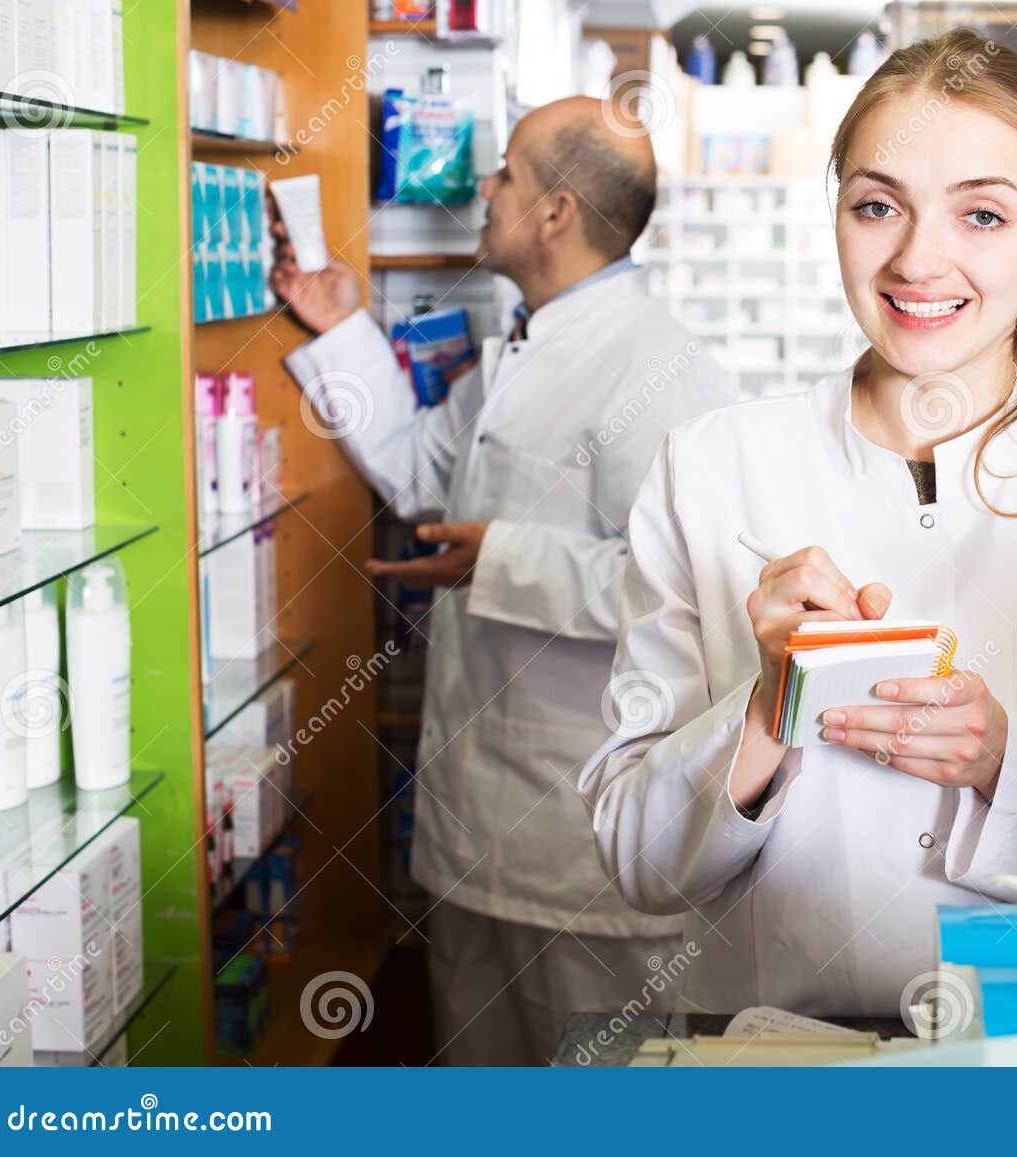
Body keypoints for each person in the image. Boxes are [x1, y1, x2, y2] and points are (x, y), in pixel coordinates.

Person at [579, 30, 1017, 1016]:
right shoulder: (712, 468)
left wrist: (1009, 764)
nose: (916, 258)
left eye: (981, 213)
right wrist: (766, 710)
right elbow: (635, 862)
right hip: (779, 1062)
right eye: (876, 206)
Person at [275, 96, 733, 1062]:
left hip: (583, 859)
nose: (485, 190)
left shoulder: (655, 367)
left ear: (556, 213)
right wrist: (341, 327)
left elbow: (697, 591)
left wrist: (505, 558)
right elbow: (420, 476)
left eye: (507, 174)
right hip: (477, 832)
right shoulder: (526, 349)